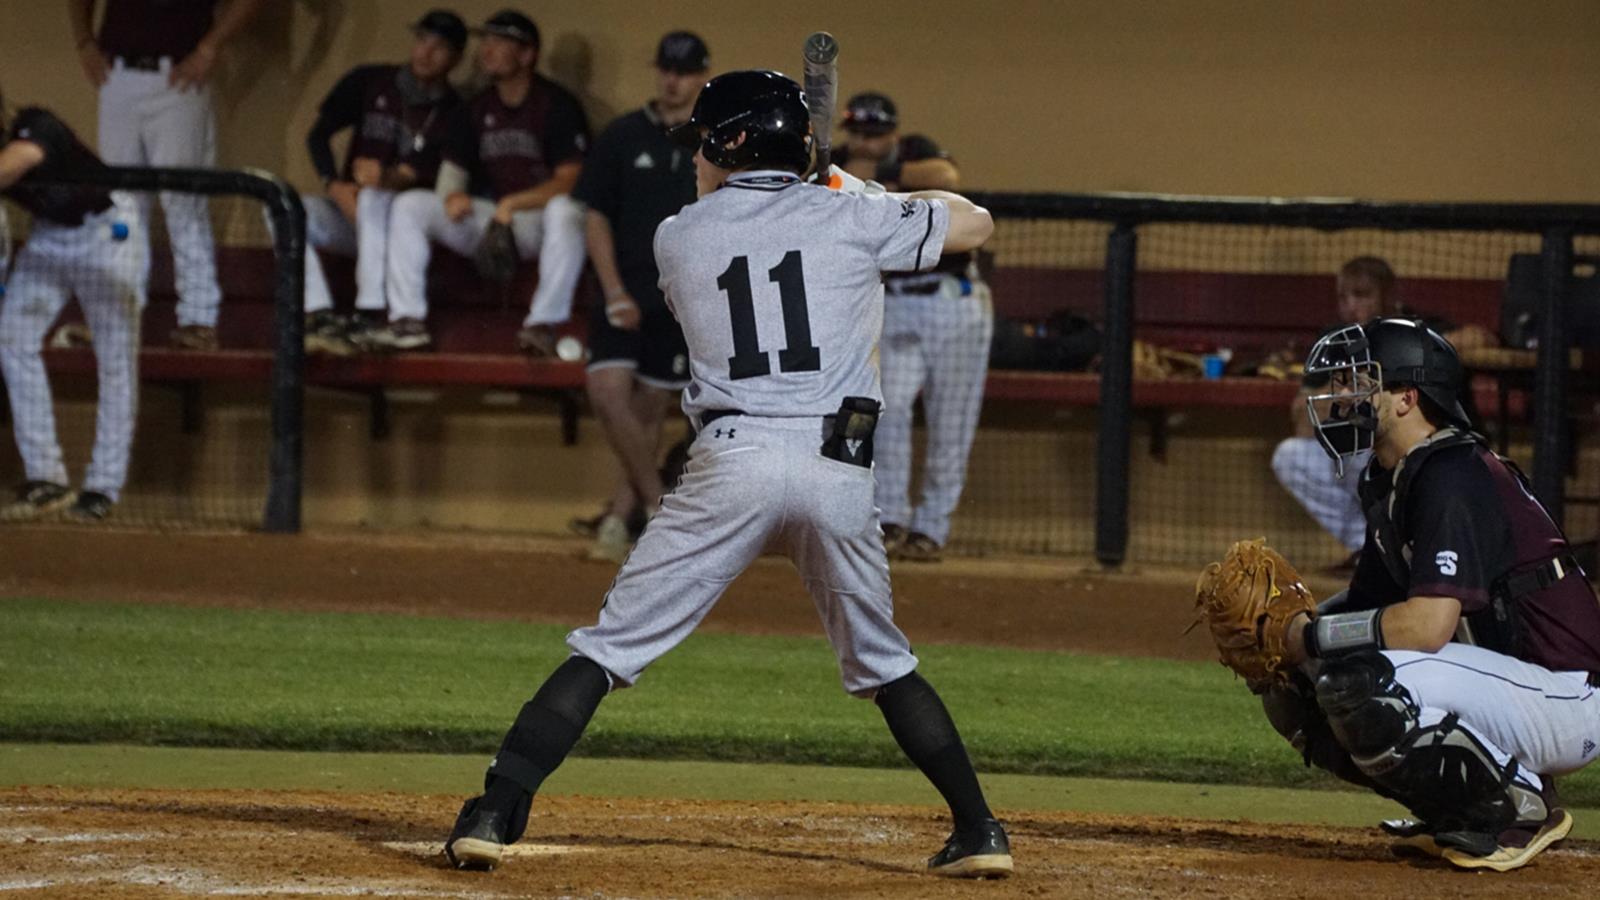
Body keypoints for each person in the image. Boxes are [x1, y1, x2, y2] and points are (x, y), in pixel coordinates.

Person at [442, 70, 1013, 880]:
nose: (695, 163)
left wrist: (825, 186)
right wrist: (844, 180)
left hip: (733, 462)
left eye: (704, 146)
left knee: (608, 651)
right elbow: (976, 225)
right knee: (884, 664)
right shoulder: (854, 214)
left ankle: (496, 810)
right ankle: (981, 829)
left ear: (732, 144)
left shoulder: (679, 235)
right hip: (837, 469)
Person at [1263, 317, 1600, 872]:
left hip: (1567, 698)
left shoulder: (1453, 474)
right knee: (1296, 682)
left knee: (1362, 682)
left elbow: (1426, 627)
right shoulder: (1391, 475)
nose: (1343, 394)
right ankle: (1460, 811)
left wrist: (1312, 634)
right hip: (1510, 684)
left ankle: (1521, 807)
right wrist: (1289, 636)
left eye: (1360, 381)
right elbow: (1367, 605)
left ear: (1406, 398)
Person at [567, 31, 706, 561]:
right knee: (606, 392)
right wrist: (614, 291)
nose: (672, 80)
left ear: (700, 76)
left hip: (679, 300)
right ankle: (654, 508)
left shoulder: (711, 141)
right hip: (622, 291)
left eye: (684, 71)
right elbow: (595, 214)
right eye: (666, 69)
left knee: (649, 412)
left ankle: (619, 520)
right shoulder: (624, 134)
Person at [835, 92, 991, 563]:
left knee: (952, 421)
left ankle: (933, 527)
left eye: (874, 132)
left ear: (892, 133)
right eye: (858, 132)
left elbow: (946, 176)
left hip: (953, 300)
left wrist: (874, 176)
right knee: (889, 409)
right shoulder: (837, 162)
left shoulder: (914, 150)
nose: (864, 141)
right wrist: (856, 171)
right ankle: (893, 517)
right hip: (896, 301)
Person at [377, 9, 588, 353]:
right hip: (493, 221)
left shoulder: (555, 104)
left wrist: (513, 204)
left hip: (536, 221)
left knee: (567, 211)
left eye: (501, 42)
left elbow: (571, 180)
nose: (487, 49)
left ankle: (542, 324)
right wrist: (450, 197)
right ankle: (406, 320)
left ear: (527, 54)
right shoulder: (474, 108)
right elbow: (452, 173)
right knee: (411, 204)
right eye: (486, 40)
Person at [68, 0, 264, 351]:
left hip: (177, 76)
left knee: (184, 201)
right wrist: (84, 41)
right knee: (120, 204)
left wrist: (209, 47)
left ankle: (198, 319)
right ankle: (116, 315)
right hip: (118, 74)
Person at [1272, 256, 1496, 561]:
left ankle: (1424, 550)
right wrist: (1348, 389)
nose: (1351, 305)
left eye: (1361, 295)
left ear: (1389, 295)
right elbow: (1302, 421)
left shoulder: (1415, 326)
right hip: (1371, 456)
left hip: (1437, 455)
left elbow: (1482, 337)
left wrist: (1406, 355)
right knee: (1292, 455)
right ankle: (1371, 551)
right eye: (1343, 297)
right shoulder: (1335, 341)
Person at [0, 96, 148, 522]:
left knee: (116, 358)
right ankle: (46, 477)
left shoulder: (35, 122)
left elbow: (16, 162)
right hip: (50, 238)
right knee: (13, 338)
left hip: (108, 230)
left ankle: (103, 486)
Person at [299, 10, 466, 356]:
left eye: (439, 47)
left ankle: (370, 312)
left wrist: (382, 178)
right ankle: (317, 314)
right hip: (352, 217)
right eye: (421, 41)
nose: (425, 53)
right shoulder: (370, 80)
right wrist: (334, 185)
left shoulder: (455, 112)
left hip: (401, 234)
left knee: (377, 197)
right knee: (289, 211)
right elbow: (318, 136)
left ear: (456, 58)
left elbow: (416, 179)